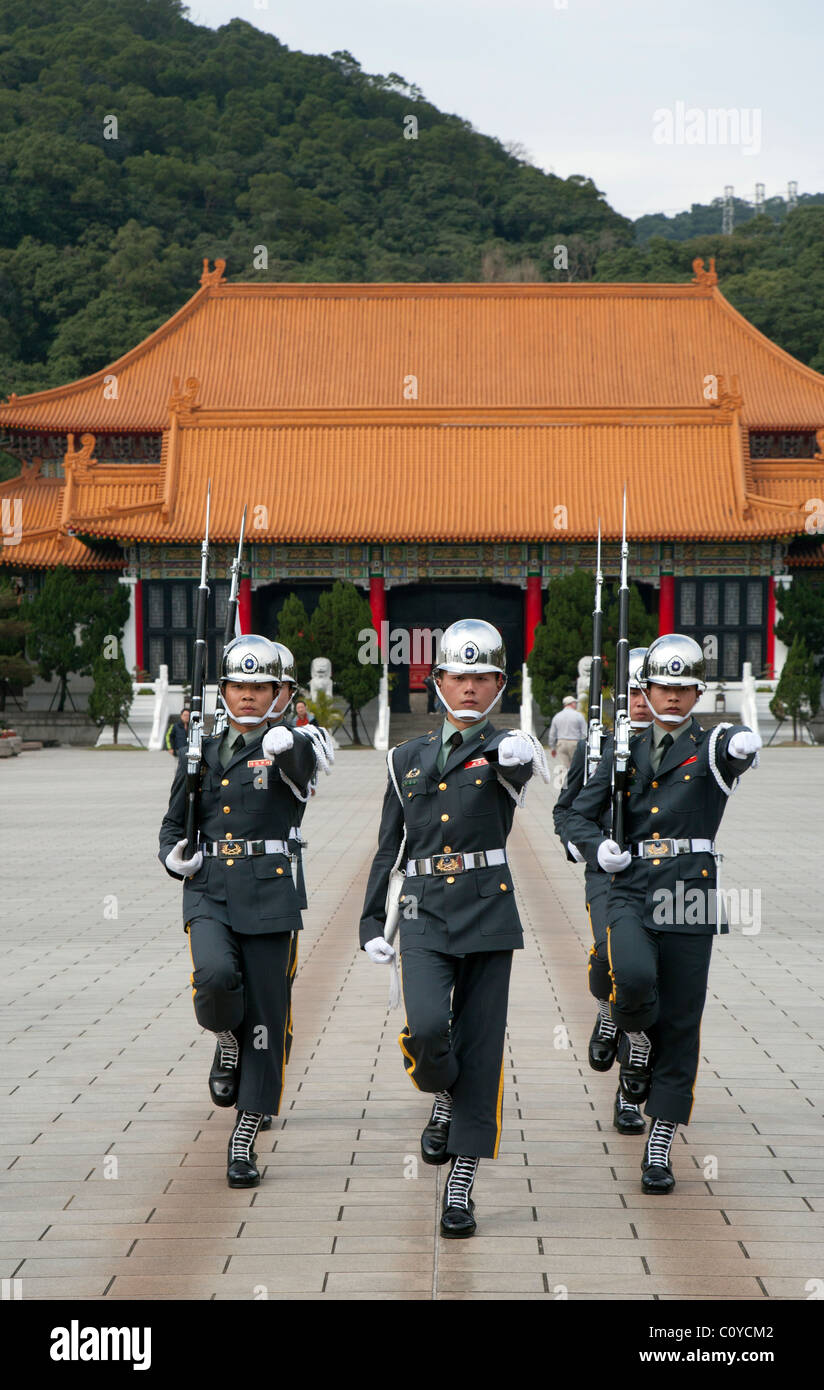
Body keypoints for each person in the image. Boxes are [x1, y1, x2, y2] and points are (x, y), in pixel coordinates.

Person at [359, 619, 547, 1238]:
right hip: (421, 910)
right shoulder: (404, 758)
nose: (469, 687)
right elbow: (389, 846)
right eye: (458, 676)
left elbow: (518, 776)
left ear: (500, 683)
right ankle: (440, 1092)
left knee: (482, 1045)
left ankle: (461, 1180)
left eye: (482, 677)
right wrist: (368, 922)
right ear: (438, 681)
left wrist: (517, 758)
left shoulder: (508, 751)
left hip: (488, 909)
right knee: (431, 1029)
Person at [564, 634, 761, 1194]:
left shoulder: (713, 743)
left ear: (698, 692)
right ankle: (630, 1031)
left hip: (690, 893)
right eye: (662, 686)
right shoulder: (621, 748)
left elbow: (734, 748)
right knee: (628, 973)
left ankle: (659, 1143)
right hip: (629, 885)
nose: (671, 697)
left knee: (681, 1020)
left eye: (683, 688)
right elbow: (578, 812)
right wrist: (594, 845)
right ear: (645, 690)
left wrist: (744, 742)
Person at [158, 634, 319, 1188]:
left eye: (260, 687)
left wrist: (286, 737)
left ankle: (244, 1138)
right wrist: (172, 857)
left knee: (267, 1023)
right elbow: (174, 823)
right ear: (223, 690)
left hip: (270, 893)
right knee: (215, 977)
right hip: (209, 889)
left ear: (280, 692)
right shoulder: (198, 748)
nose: (248, 696)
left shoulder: (297, 744)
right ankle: (225, 1038)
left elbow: (303, 768)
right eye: (238, 686)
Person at [553, 648, 651, 1135]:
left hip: (664, 882)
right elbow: (567, 811)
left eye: (644, 691)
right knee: (611, 962)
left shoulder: (685, 749)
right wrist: (592, 846)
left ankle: (631, 1091)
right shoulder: (604, 746)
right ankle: (607, 1011)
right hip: (609, 877)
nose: (638, 702)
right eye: (631, 692)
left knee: (650, 987)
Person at [548, 696, 587, 770]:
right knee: (575, 766)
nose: (576, 704)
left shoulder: (557, 716)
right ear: (571, 704)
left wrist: (552, 747)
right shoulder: (578, 715)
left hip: (561, 743)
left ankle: (564, 780)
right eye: (575, 703)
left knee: (564, 767)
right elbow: (585, 732)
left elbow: (552, 734)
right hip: (574, 743)